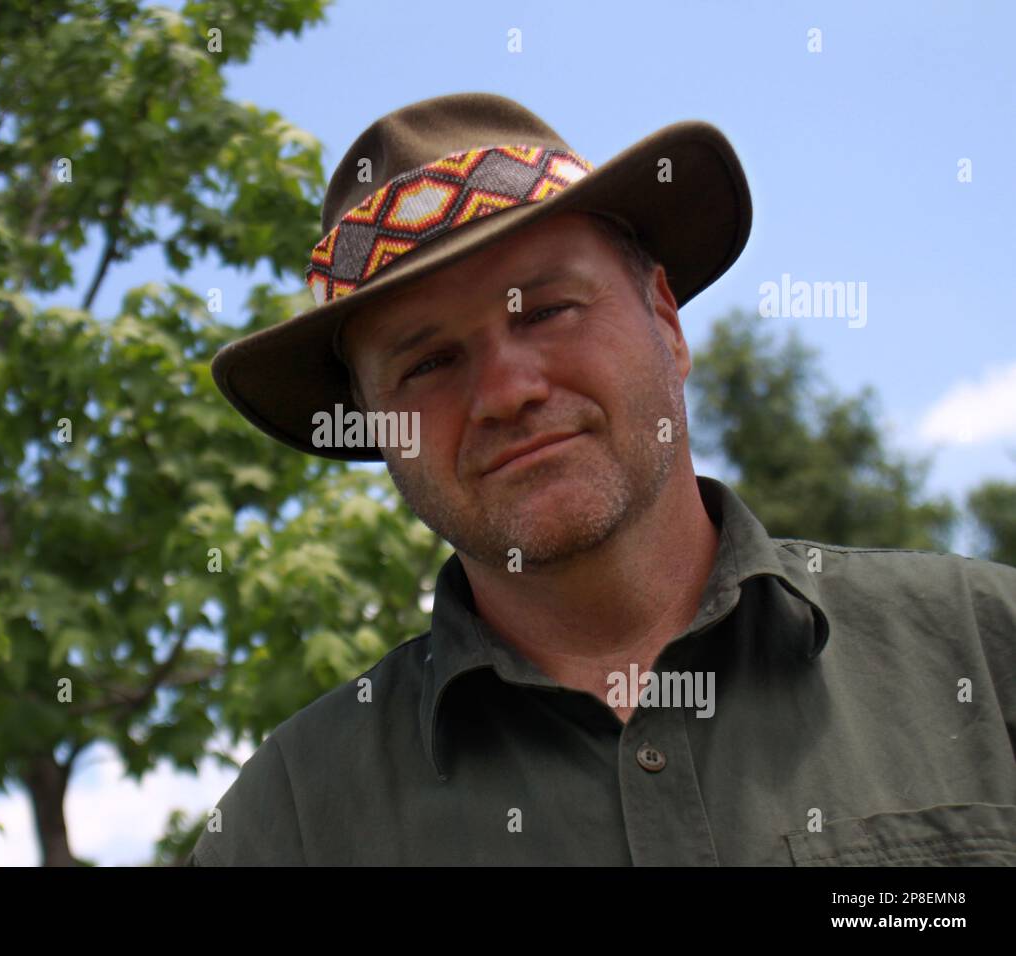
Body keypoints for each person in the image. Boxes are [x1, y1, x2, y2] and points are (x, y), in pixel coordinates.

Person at [190, 92, 1016, 865]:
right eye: (429, 362)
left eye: (545, 311)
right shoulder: (285, 828)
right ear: (375, 424)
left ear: (666, 318)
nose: (507, 393)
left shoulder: (984, 651)